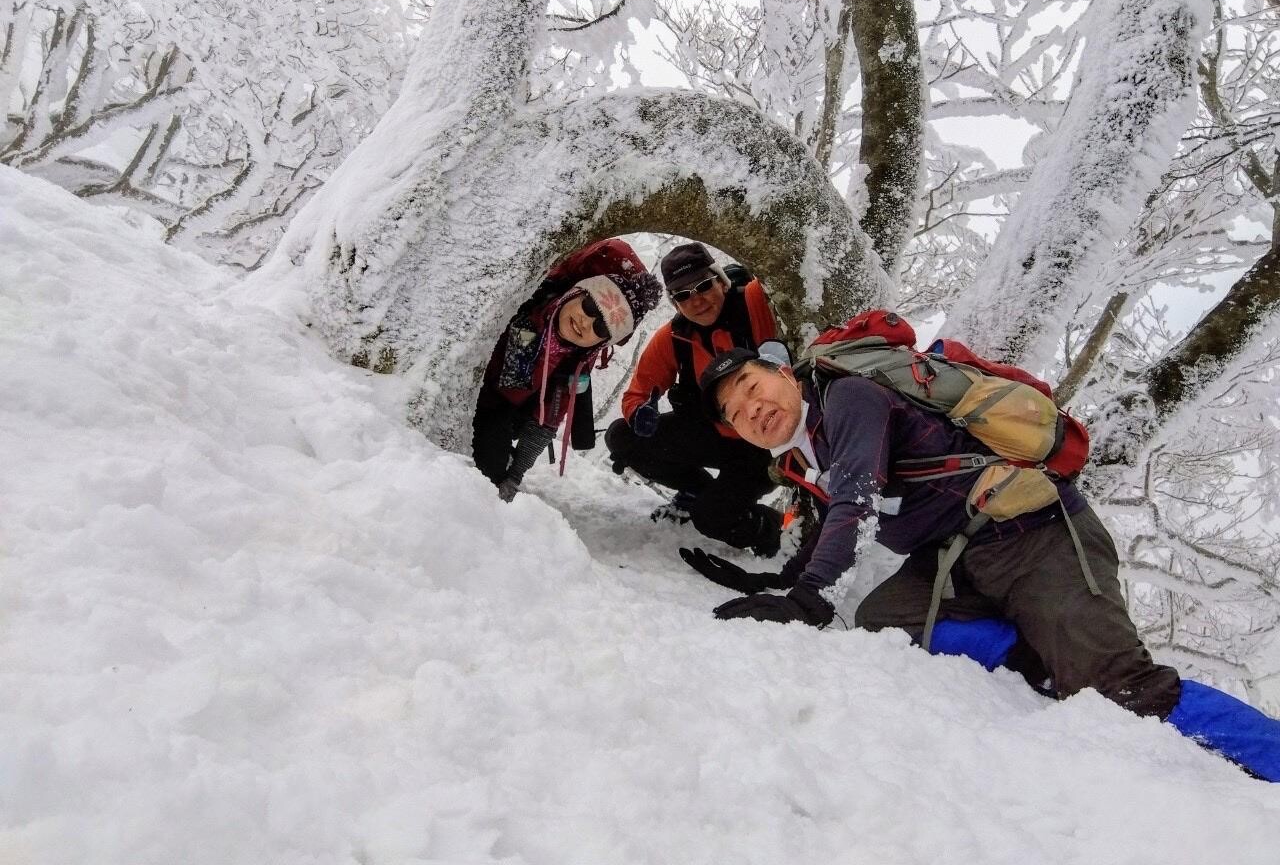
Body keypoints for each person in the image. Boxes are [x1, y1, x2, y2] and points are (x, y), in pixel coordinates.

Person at [688, 346, 1280, 782]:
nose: (750, 407)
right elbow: (837, 519)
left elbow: (858, 498)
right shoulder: (804, 454)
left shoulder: (848, 396)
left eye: (749, 384)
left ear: (782, 372)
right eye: (734, 411)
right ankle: (1038, 659)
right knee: (885, 618)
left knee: (1124, 688)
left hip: (1038, 536)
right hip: (957, 557)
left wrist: (809, 597)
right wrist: (777, 584)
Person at [604, 242, 786, 556]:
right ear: (675, 304)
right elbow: (638, 392)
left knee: (712, 520)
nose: (697, 300)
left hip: (765, 448)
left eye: (703, 285)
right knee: (622, 436)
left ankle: (780, 532)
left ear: (721, 281)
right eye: (683, 295)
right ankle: (697, 492)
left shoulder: (757, 302)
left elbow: (790, 267)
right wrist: (639, 414)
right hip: (714, 434)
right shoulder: (674, 337)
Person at [472, 239, 661, 502]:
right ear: (576, 292)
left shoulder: (574, 363)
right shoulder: (525, 306)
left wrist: (514, 475)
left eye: (602, 329)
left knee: (487, 471)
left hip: (500, 412)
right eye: (591, 307)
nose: (586, 322)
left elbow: (547, 419)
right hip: (476, 389)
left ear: (600, 344)